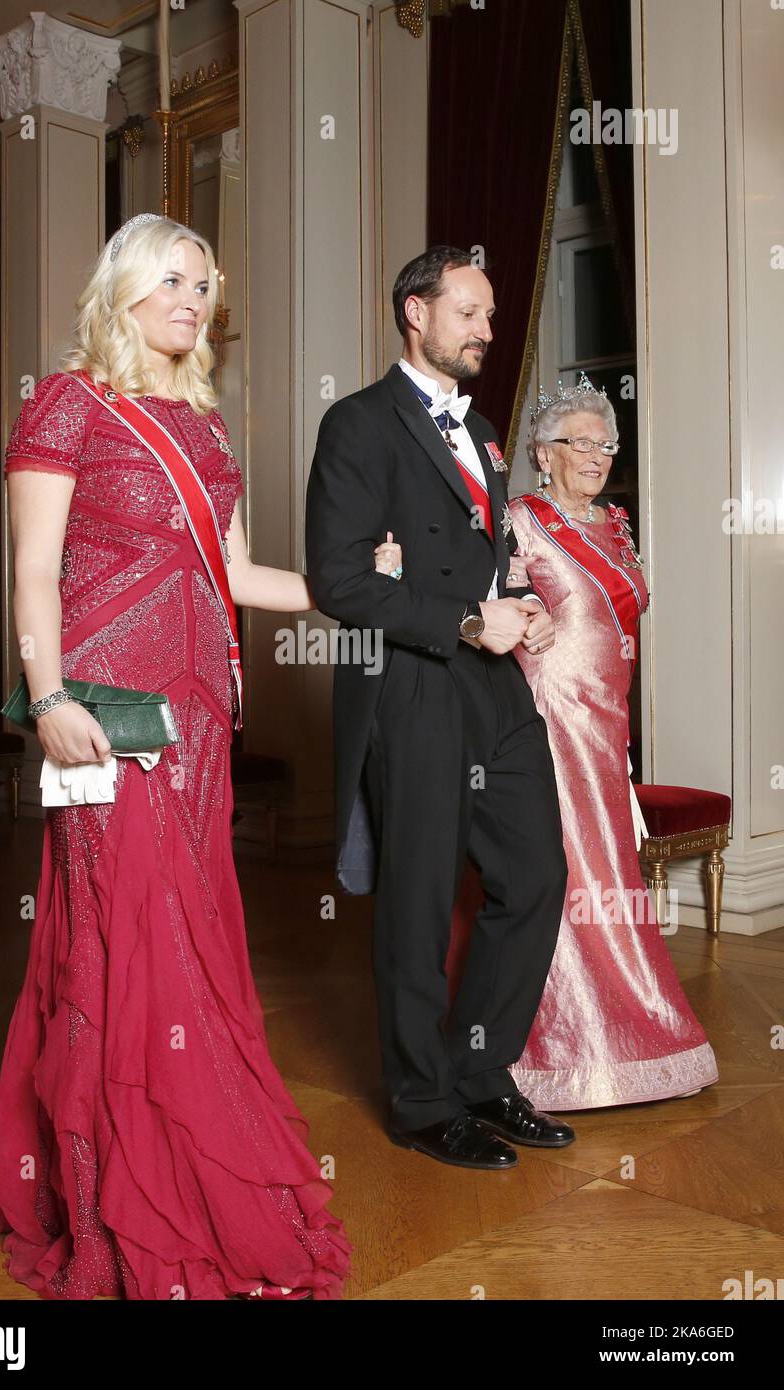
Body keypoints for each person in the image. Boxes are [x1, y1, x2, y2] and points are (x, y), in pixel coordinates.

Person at [0, 215, 402, 1300]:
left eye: (203, 283)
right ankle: (121, 1188)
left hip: (199, 713)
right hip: (108, 710)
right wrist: (49, 695)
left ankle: (181, 1152)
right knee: (125, 927)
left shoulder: (205, 427)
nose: (191, 299)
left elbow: (241, 574)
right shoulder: (65, 402)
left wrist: (353, 583)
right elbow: (31, 571)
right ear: (119, 288)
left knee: (190, 928)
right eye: (170, 278)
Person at [305, 245, 576, 1171]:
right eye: (470, 313)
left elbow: (484, 557)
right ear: (415, 313)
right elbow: (339, 580)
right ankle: (422, 1100)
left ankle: (481, 1070)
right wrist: (466, 619)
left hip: (495, 687)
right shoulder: (357, 424)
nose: (487, 332)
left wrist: (519, 609)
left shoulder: (487, 429)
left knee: (536, 873)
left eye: (492, 317)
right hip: (414, 682)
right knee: (418, 902)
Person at [449, 374, 719, 1109]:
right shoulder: (522, 518)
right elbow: (490, 598)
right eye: (580, 443)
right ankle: (551, 1049)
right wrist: (525, 608)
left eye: (607, 443)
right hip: (546, 716)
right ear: (543, 452)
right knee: (562, 865)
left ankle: (628, 1027)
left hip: (607, 720)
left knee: (607, 863)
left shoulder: (614, 523)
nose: (597, 455)